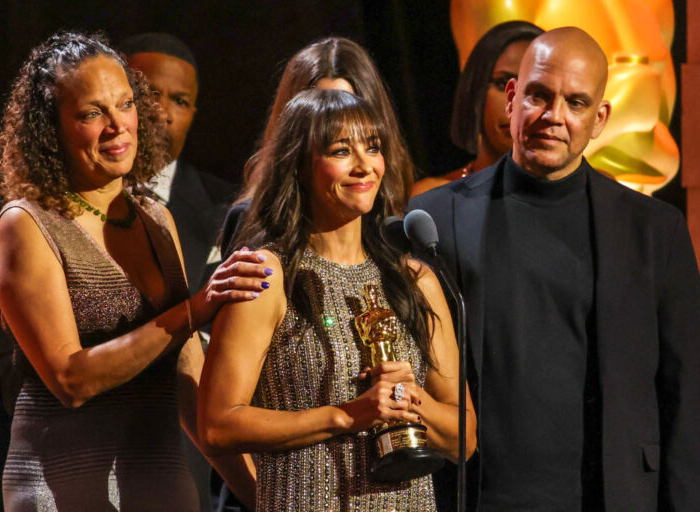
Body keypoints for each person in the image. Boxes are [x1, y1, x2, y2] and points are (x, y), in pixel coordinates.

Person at [409, 27, 700, 511]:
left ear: (600, 118)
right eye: (539, 95)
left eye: (576, 102)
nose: (554, 117)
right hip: (476, 496)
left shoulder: (655, 231)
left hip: (615, 497)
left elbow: (686, 395)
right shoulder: (439, 218)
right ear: (511, 97)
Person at [0, 32, 263, 511]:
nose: (121, 125)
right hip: (64, 491)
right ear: (50, 129)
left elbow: (188, 382)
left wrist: (264, 496)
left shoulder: (157, 220)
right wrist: (193, 310)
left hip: (161, 486)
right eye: (93, 113)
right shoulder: (26, 225)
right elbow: (71, 379)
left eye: (126, 104)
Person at [197, 88, 476, 510]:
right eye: (341, 150)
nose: (364, 165)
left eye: (373, 147)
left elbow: (465, 439)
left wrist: (409, 397)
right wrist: (346, 415)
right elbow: (217, 426)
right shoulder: (267, 276)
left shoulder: (415, 280)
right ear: (300, 166)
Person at [220, 36, 415, 258]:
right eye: (323, 111)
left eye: (350, 106)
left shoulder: (393, 216)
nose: (341, 120)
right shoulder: (254, 221)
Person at [120, 32, 236, 295]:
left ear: (193, 114)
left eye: (180, 101)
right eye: (150, 93)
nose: (163, 113)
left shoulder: (226, 211)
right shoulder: (64, 196)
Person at [411, 21, 543, 197]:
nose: (518, 104)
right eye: (504, 84)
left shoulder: (588, 192)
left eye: (537, 91)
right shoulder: (434, 197)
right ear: (475, 89)